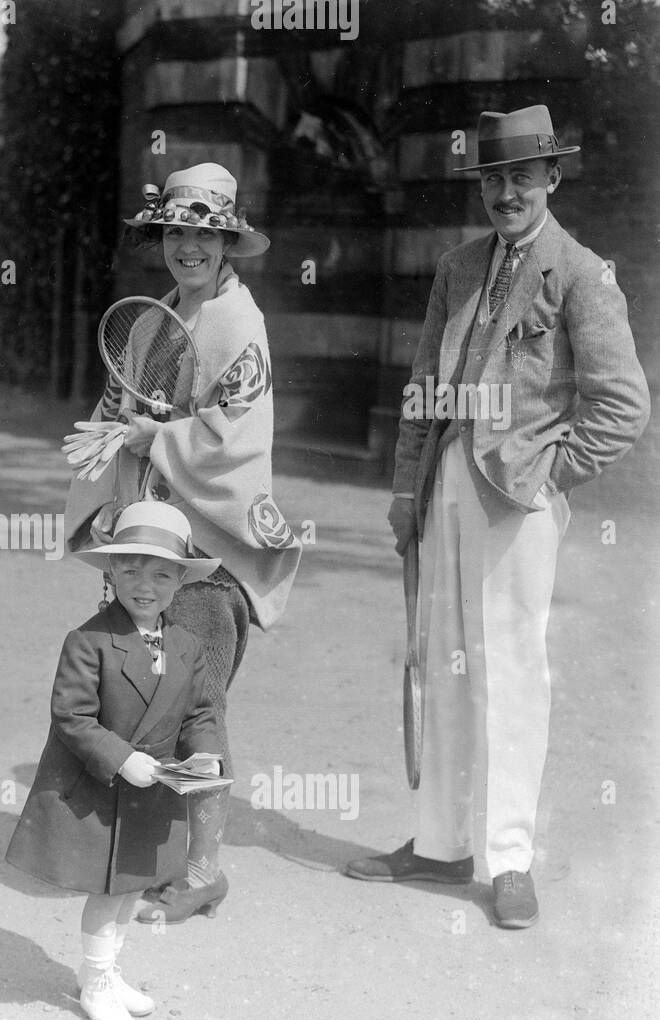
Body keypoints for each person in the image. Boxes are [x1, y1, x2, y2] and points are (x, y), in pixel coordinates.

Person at [345, 106, 649, 928]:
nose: (505, 192)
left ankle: (509, 858)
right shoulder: (458, 268)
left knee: (511, 674)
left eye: (521, 176)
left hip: (517, 500)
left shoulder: (582, 274)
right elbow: (420, 391)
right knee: (440, 661)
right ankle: (440, 845)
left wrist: (552, 472)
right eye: (492, 178)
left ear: (552, 178)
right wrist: (408, 492)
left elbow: (623, 405)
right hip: (445, 485)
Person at [64, 163, 301, 924]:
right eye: (175, 230)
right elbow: (118, 413)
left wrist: (152, 435)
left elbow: (237, 435)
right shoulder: (148, 320)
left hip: (208, 554)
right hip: (152, 545)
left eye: (205, 233)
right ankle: (153, 853)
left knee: (194, 707)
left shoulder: (239, 323)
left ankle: (203, 870)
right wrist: (107, 475)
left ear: (228, 242)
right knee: (144, 695)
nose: (188, 246)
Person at [6, 502, 223, 1020]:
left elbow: (199, 710)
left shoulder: (188, 645)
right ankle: (96, 983)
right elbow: (72, 716)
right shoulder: (89, 641)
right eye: (129, 570)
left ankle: (104, 970)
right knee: (108, 890)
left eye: (161, 574)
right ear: (111, 573)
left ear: (180, 583)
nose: (144, 585)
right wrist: (123, 759)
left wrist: (205, 751)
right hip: (104, 788)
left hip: (155, 788)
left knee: (131, 887)